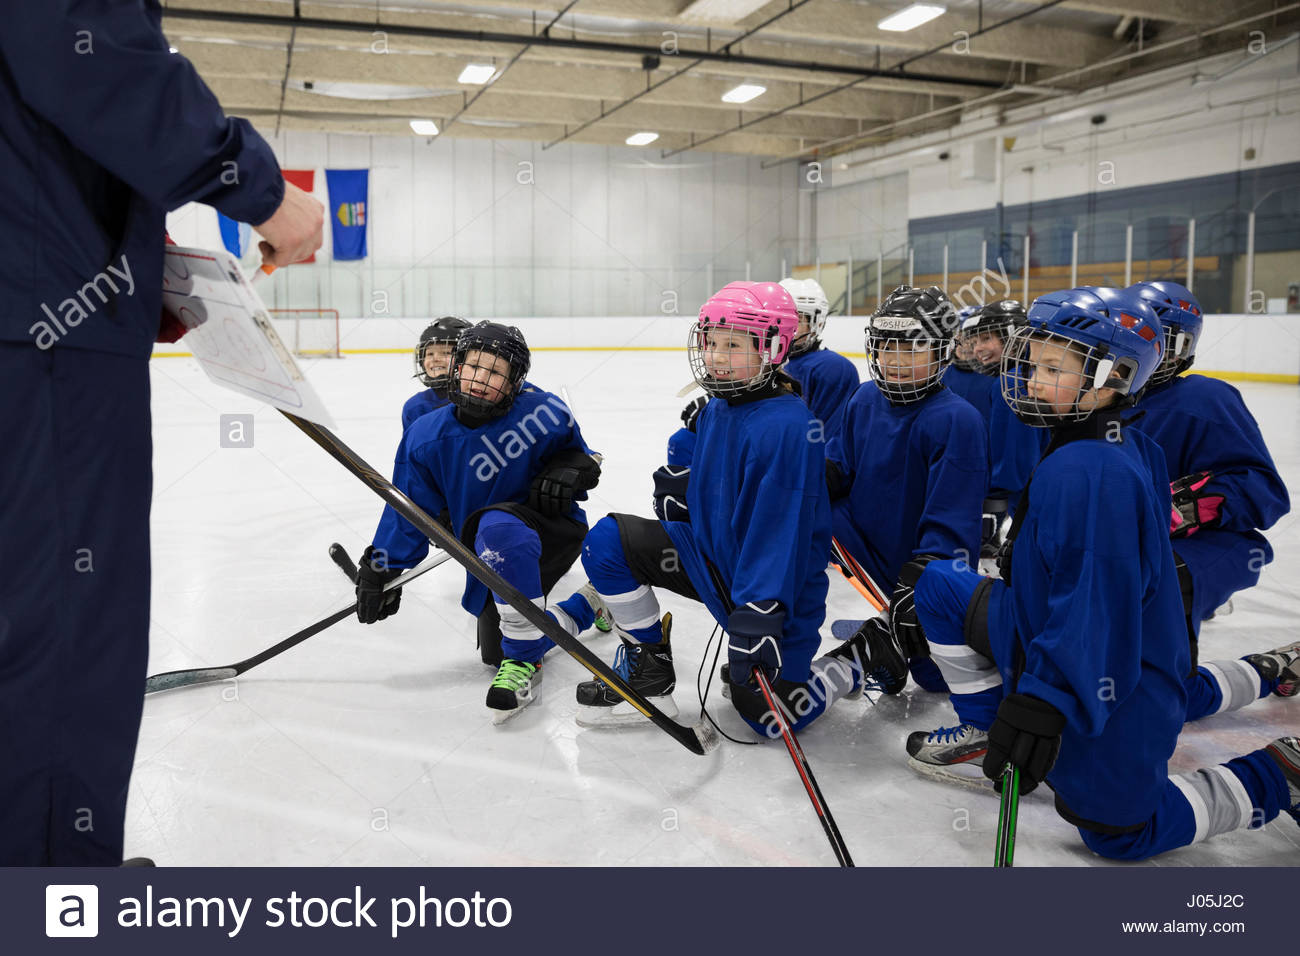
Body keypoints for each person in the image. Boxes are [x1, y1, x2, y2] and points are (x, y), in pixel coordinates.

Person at [0, 2, 322, 866]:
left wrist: (129, 275)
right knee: (64, 621)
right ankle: (53, 886)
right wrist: (261, 188)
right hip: (42, 340)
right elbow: (92, 61)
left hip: (42, 301)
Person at [902, 286, 1298, 861]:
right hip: (1041, 626)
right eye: (1030, 360)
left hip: (1114, 670)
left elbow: (1096, 610)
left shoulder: (1094, 469)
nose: (1030, 377)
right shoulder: (1106, 438)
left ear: (1112, 377)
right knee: (936, 584)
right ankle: (992, 726)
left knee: (1116, 831)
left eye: (1052, 367)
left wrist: (1041, 703)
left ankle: (1278, 772)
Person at [564, 281, 865, 736]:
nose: (716, 356)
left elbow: (778, 532)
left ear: (772, 349)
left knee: (765, 716)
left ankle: (857, 659)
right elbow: (722, 484)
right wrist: (687, 495)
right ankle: (649, 671)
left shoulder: (787, 426)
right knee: (608, 543)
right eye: (711, 341)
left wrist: (760, 613)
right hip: (713, 557)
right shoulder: (720, 406)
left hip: (775, 591)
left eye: (734, 345)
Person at [355, 322, 606, 722]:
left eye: (495, 373)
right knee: (498, 651)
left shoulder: (543, 412)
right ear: (458, 368)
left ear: (515, 382)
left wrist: (571, 468)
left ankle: (525, 662)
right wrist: (381, 566)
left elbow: (584, 457)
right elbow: (408, 509)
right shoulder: (424, 434)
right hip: (489, 547)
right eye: (473, 367)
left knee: (498, 530)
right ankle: (589, 604)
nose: (480, 380)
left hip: (548, 530)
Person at [1123, 280, 1292, 685]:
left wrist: (1178, 507)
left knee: (1153, 683)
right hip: (1126, 542)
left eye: (1160, 339)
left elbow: (1264, 493)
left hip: (1202, 545)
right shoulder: (1097, 398)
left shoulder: (1205, 399)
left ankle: (1264, 672)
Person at [825, 286, 988, 693]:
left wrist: (922, 580)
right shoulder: (864, 398)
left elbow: (952, 518)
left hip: (914, 565)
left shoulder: (956, 419)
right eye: (886, 347)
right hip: (860, 542)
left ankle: (887, 636)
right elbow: (837, 468)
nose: (894, 361)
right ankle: (784, 644)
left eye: (912, 349)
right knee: (794, 515)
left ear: (942, 352)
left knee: (934, 679)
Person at [778, 277, 859, 440]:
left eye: (796, 320)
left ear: (816, 323)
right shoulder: (758, 364)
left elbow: (829, 439)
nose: (786, 328)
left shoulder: (831, 368)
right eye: (780, 320)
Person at [402, 315, 471, 430]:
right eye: (430, 354)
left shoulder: (476, 401)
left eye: (445, 353)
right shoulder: (414, 407)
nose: (435, 359)